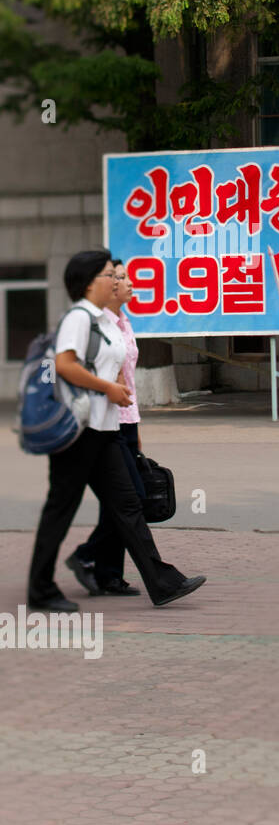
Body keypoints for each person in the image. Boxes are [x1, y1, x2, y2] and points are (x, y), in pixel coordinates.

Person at [27, 250, 205, 613]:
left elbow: (113, 364)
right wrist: (107, 388)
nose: (118, 279)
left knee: (128, 505)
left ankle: (162, 582)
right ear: (91, 282)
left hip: (107, 431)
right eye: (110, 274)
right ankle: (40, 588)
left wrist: (118, 383)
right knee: (61, 509)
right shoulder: (79, 317)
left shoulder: (108, 322)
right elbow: (65, 364)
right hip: (78, 433)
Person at [65, 258, 146, 596]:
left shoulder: (124, 324)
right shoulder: (96, 326)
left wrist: (138, 430)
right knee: (131, 500)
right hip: (101, 426)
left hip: (127, 422)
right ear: (108, 285)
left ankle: (109, 574)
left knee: (120, 502)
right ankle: (86, 556)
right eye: (121, 277)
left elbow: (127, 381)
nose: (129, 283)